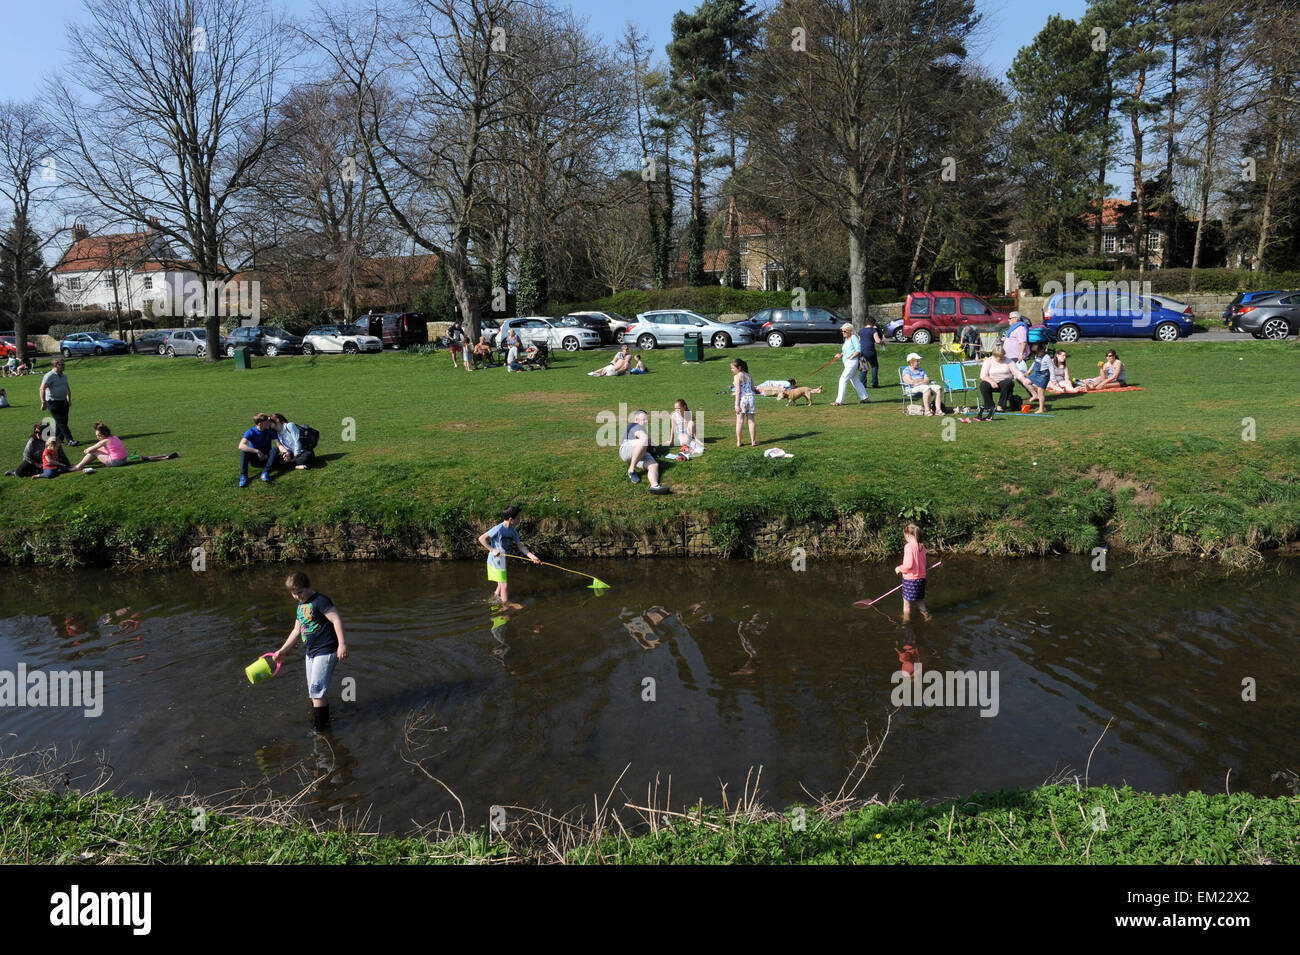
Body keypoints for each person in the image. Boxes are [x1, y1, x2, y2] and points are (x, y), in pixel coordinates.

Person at [272, 571, 349, 732]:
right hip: (311, 652)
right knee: (313, 693)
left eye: (299, 592)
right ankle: (322, 719)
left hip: (326, 650)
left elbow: (336, 619)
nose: (297, 596)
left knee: (316, 693)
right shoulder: (301, 606)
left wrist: (342, 644)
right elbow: (296, 630)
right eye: (293, 594)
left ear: (308, 587)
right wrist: (282, 651)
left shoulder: (321, 601)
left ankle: (320, 732)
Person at [477, 505, 541, 609]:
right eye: (518, 518)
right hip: (496, 561)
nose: (519, 520)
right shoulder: (498, 529)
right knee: (504, 584)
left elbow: (520, 545)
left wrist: (531, 556)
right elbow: (481, 538)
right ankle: (506, 604)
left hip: (503, 561)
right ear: (511, 519)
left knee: (500, 583)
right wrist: (492, 550)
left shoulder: (513, 530)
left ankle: (494, 598)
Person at [73, 421, 177, 471]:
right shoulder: (114, 438)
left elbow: (88, 451)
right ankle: (81, 465)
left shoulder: (104, 441)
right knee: (97, 451)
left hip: (115, 462)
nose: (98, 437)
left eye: (99, 435)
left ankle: (79, 466)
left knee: (94, 451)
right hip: (124, 459)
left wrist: (89, 449)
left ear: (104, 434)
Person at [978, 345, 1041, 418]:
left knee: (1007, 383)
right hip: (992, 382)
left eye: (1001, 356)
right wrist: (991, 382)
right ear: (994, 355)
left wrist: (1024, 380)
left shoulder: (1009, 361)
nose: (1000, 358)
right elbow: (983, 375)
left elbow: (1017, 373)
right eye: (997, 356)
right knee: (983, 385)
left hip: (1005, 382)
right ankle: (989, 406)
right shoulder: (988, 361)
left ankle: (1000, 406)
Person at [620, 409, 669, 493]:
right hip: (626, 449)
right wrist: (648, 443)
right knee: (644, 440)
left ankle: (654, 486)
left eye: (647, 419)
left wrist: (652, 447)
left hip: (638, 453)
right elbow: (643, 437)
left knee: (654, 465)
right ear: (636, 420)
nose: (646, 421)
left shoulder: (643, 430)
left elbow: (651, 443)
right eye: (644, 419)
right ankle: (631, 469)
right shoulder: (634, 426)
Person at [894, 522, 932, 622]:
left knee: (906, 603)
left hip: (910, 580)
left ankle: (906, 621)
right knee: (920, 602)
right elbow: (923, 564)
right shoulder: (922, 547)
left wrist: (899, 568)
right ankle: (927, 617)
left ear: (908, 535)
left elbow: (908, 565)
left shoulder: (909, 546)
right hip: (921, 580)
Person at [7, 423, 71, 477]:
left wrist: (67, 463)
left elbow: (61, 453)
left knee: (61, 469)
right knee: (20, 473)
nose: (37, 435)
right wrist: (36, 464)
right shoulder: (32, 441)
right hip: (34, 462)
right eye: (36, 432)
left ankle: (40, 471)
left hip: (50, 461)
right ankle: (15, 472)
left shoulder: (53, 440)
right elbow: (26, 455)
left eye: (39, 433)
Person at [39, 357, 77, 445]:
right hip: (52, 402)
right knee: (61, 421)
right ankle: (70, 440)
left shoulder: (64, 376)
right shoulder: (49, 375)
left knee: (63, 421)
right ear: (55, 365)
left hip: (63, 401)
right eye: (62, 364)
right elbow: (42, 389)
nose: (64, 366)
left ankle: (58, 440)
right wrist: (43, 402)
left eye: (64, 364)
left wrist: (69, 399)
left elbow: (67, 388)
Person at [831, 322, 869, 405]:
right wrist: (840, 355)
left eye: (844, 331)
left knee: (842, 379)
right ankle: (865, 398)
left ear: (849, 331)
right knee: (855, 380)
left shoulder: (853, 337)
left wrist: (851, 357)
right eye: (842, 331)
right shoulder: (846, 339)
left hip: (851, 362)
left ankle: (839, 401)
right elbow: (846, 351)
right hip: (848, 362)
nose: (843, 333)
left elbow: (858, 349)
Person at [237, 412, 277, 486]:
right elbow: (241, 446)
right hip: (255, 460)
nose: (269, 423)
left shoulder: (270, 431)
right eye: (267, 422)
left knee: (276, 448)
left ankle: (265, 472)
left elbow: (278, 443)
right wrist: (257, 451)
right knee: (244, 451)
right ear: (260, 424)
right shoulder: (251, 432)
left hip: (268, 459)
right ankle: (243, 476)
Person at [732, 358, 757, 447]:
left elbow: (738, 391)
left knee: (739, 421)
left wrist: (736, 405)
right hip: (751, 399)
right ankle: (753, 441)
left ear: (739, 367)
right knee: (751, 421)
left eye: (733, 368)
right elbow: (753, 388)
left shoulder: (737, 377)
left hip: (742, 400)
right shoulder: (749, 375)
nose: (732, 370)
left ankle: (739, 441)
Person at [858, 316, 885, 388]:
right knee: (874, 366)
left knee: (863, 368)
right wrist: (882, 343)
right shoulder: (873, 330)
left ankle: (863, 384)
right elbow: (877, 341)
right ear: (873, 323)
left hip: (862, 351)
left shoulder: (861, 330)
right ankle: (874, 383)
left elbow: (859, 341)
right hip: (870, 351)